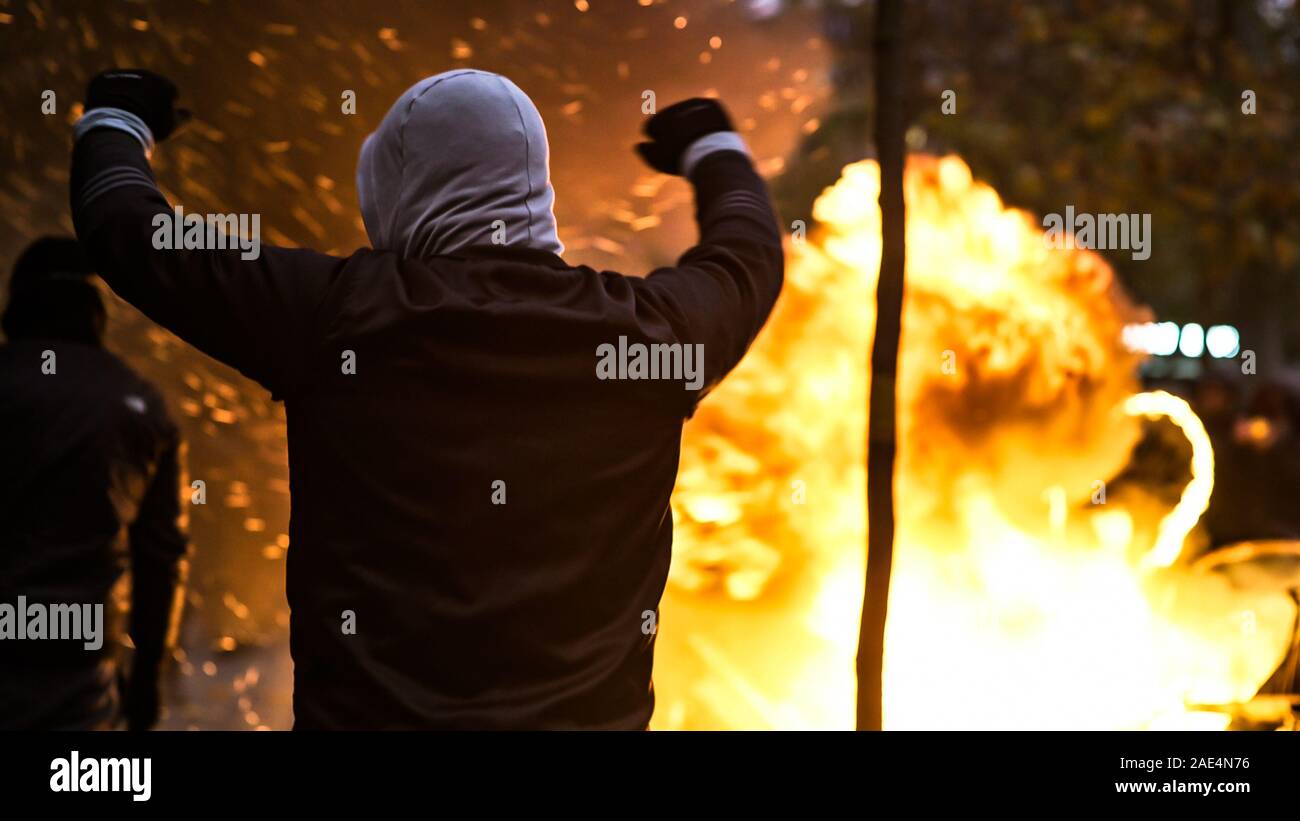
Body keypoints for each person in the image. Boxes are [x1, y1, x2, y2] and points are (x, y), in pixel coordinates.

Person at [70, 68, 783, 729]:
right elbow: (748, 253)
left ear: (398, 190)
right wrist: (713, 150)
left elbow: (128, 230)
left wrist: (116, 117)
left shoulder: (334, 318)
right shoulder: (651, 338)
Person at [0, 236, 189, 730]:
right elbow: (161, 559)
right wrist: (147, 676)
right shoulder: (141, 405)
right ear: (94, 313)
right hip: (81, 685)